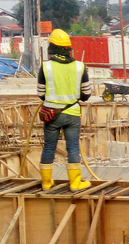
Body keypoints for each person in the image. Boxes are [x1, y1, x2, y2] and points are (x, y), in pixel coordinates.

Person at [37, 29, 93, 191]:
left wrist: (53, 100)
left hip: (51, 115)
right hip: (72, 114)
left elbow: (41, 94)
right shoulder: (80, 67)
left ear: (52, 48)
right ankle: (75, 183)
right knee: (73, 147)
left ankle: (46, 183)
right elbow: (86, 94)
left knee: (49, 147)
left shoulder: (45, 67)